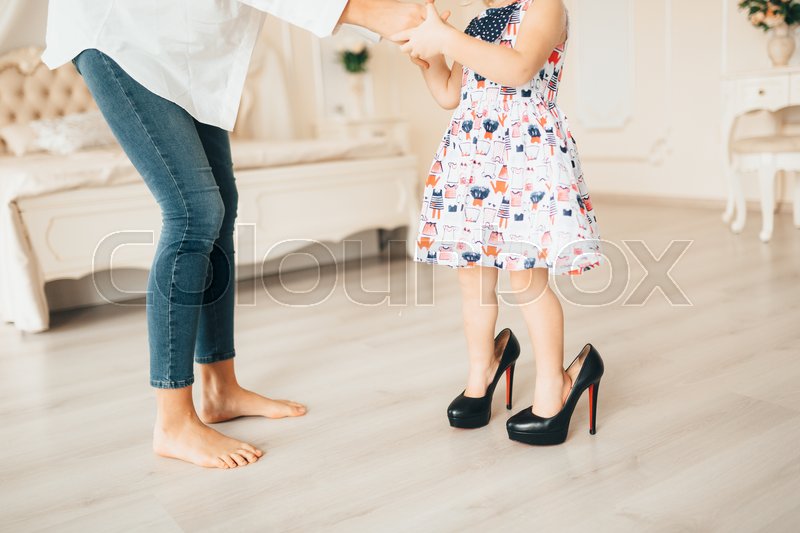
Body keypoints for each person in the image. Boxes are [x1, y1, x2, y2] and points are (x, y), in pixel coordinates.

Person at [41, 0, 430, 469]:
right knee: (193, 212)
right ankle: (173, 421)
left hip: (181, 39)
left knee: (219, 211)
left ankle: (219, 388)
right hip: (118, 29)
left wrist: (381, 12)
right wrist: (370, 14)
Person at [395, 0, 605, 445]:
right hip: (472, 159)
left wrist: (447, 39)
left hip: (523, 158)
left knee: (525, 277)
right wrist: (429, 58)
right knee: (472, 279)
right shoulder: (478, 22)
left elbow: (517, 69)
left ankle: (556, 385)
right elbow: (451, 94)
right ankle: (483, 369)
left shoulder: (544, 7)